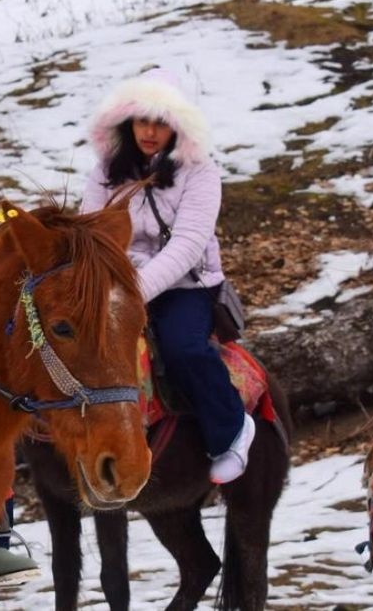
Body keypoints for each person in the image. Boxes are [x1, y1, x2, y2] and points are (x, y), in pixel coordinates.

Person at [79, 66, 254, 485]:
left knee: (183, 349)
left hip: (185, 285)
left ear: (177, 127)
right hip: (119, 281)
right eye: (143, 121)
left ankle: (231, 429)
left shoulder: (201, 172)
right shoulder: (106, 172)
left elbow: (188, 243)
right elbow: (91, 228)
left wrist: (136, 290)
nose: (150, 132)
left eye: (160, 123)